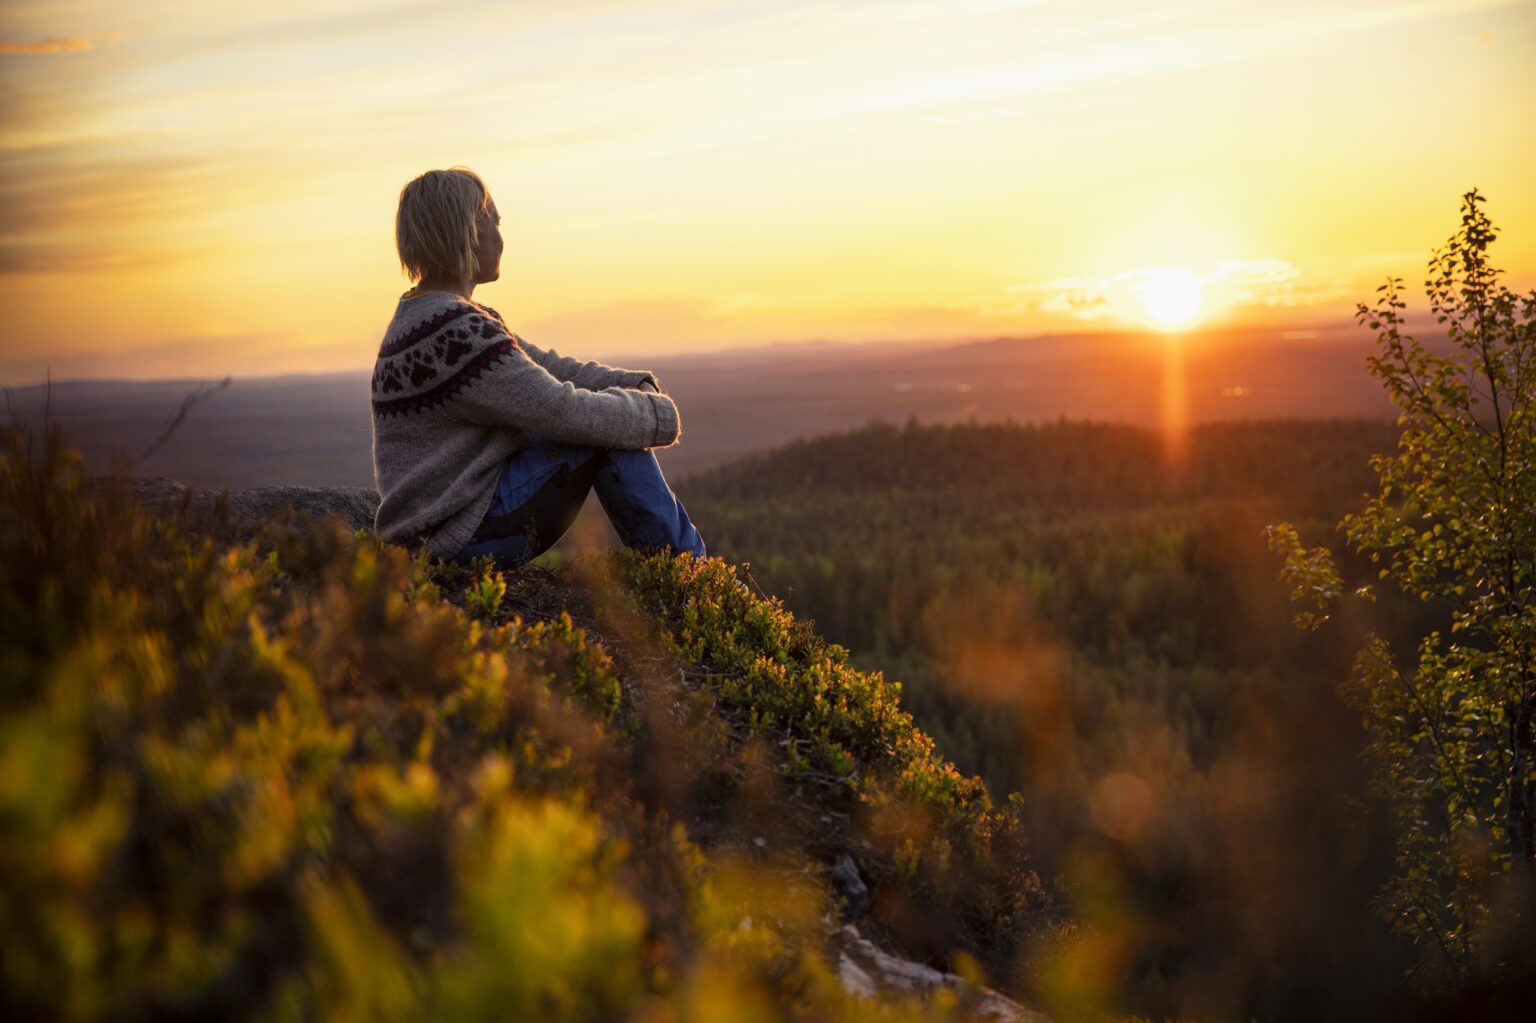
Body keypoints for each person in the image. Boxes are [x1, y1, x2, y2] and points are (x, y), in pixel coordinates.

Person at [371, 166, 706, 567]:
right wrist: (655, 413)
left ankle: (687, 571)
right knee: (602, 429)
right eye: (493, 222)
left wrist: (635, 382)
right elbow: (564, 410)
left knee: (607, 415)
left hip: (436, 531)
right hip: (459, 539)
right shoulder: (456, 332)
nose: (501, 236)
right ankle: (691, 575)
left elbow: (551, 367)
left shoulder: (431, 320)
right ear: (468, 234)